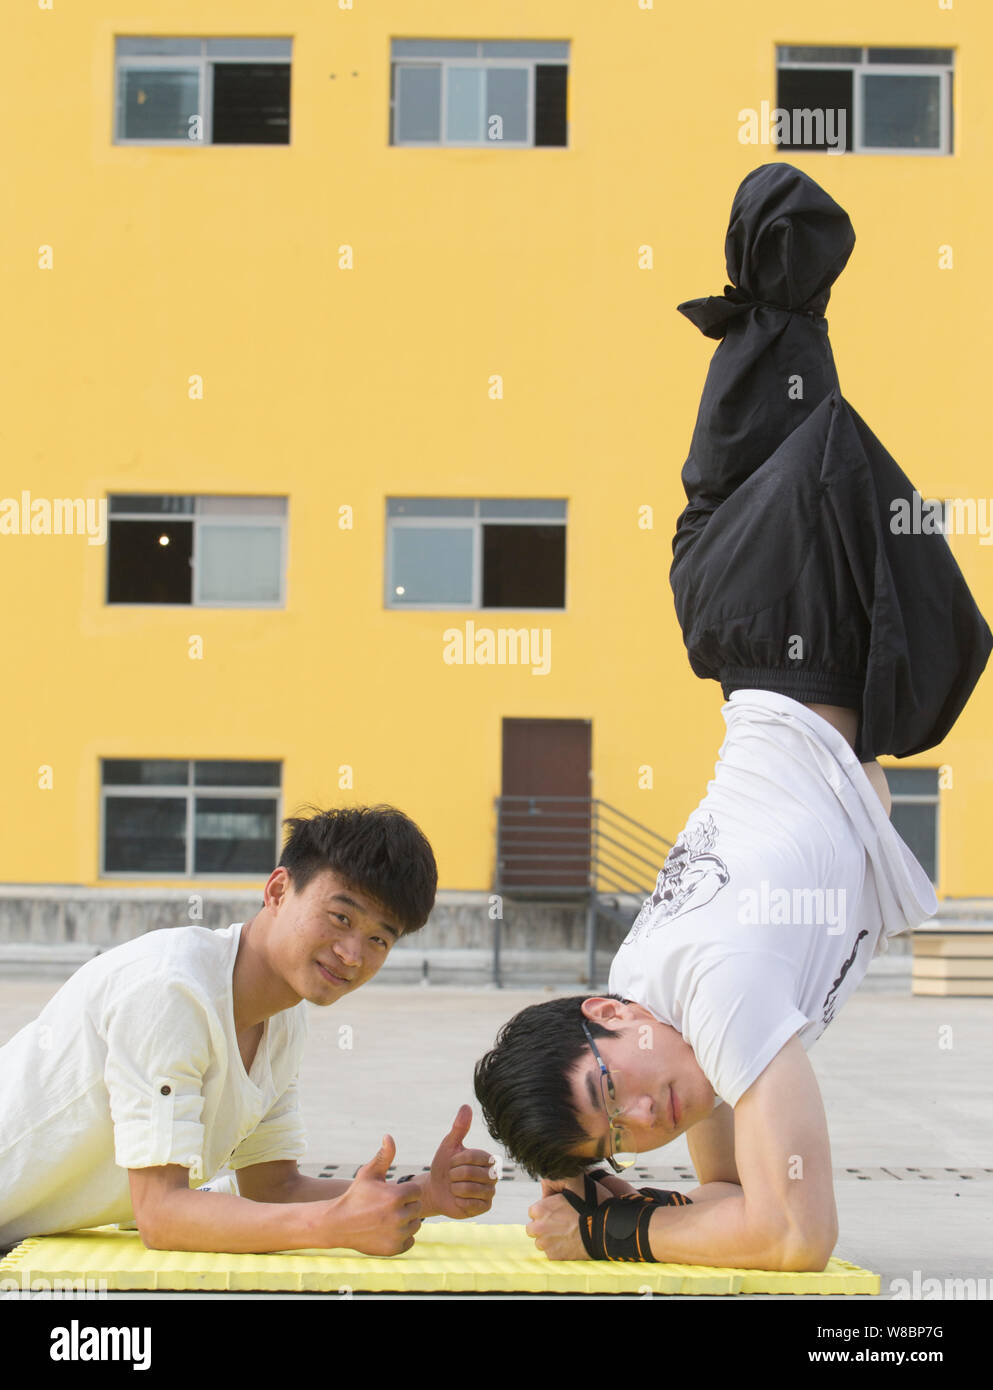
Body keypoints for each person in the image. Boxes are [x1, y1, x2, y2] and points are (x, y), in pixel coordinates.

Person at [473, 164, 992, 1269]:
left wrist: (613, 1225)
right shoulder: (669, 1014)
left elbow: (795, 1233)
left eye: (617, 1092)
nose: (650, 1119)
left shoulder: (713, 982)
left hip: (783, 615)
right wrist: (609, 1177)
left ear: (608, 1016)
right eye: (622, 1135)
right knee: (766, 391)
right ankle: (772, 283)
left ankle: (774, 261)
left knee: (780, 361)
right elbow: (726, 1197)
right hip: (767, 637)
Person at [0, 805, 496, 1254]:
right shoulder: (171, 989)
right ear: (278, 890)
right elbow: (161, 1216)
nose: (352, 954)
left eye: (378, 940)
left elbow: (274, 1189)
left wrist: (424, 1193)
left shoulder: (283, 1017)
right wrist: (331, 1226)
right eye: (339, 917)